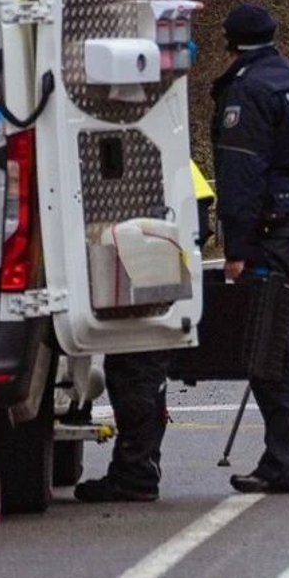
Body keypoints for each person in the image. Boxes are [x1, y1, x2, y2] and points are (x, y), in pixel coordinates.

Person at [212, 2, 289, 494]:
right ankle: (286, 457)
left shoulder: (249, 90)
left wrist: (237, 247)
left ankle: (287, 462)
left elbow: (242, 173)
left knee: (273, 351)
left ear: (230, 40)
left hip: (270, 234)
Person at [75, 161, 216, 503]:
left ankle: (136, 473)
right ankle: (139, 467)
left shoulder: (137, 154)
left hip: (154, 248)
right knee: (142, 367)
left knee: (134, 367)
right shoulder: (162, 146)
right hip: (164, 242)